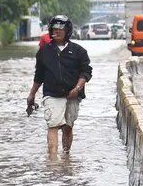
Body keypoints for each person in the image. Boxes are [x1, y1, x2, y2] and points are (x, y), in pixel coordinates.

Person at [27, 15, 93, 159]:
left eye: (60, 29)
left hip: (73, 94)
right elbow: (39, 75)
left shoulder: (78, 51)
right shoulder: (44, 52)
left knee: (67, 127)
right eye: (54, 29)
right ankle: (53, 160)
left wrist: (78, 89)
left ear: (68, 31)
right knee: (53, 125)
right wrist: (32, 95)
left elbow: (86, 72)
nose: (57, 32)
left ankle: (66, 156)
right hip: (52, 94)